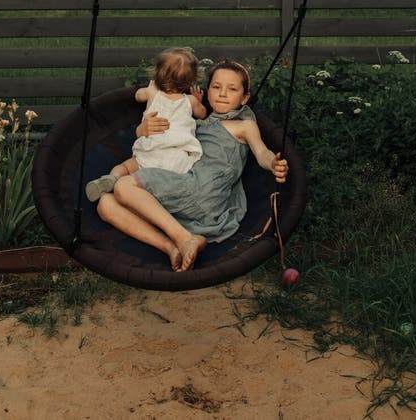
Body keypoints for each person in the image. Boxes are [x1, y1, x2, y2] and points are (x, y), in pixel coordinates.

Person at [96, 59, 289, 271]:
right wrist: (142, 129)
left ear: (245, 98)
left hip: (203, 190)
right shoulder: (193, 123)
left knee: (123, 186)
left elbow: (261, 151)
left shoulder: (243, 125)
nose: (223, 93)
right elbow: (163, 140)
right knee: (105, 205)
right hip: (184, 188)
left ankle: (184, 237)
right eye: (216, 87)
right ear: (207, 92)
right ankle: (172, 246)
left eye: (232, 89)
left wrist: (273, 163)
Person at [85, 47, 207, 202]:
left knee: (126, 168)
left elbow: (137, 96)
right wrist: (199, 101)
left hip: (152, 153)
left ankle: (112, 178)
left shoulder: (152, 93)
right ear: (190, 81)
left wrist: (149, 89)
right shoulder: (190, 101)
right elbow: (202, 114)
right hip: (179, 159)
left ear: (157, 73)